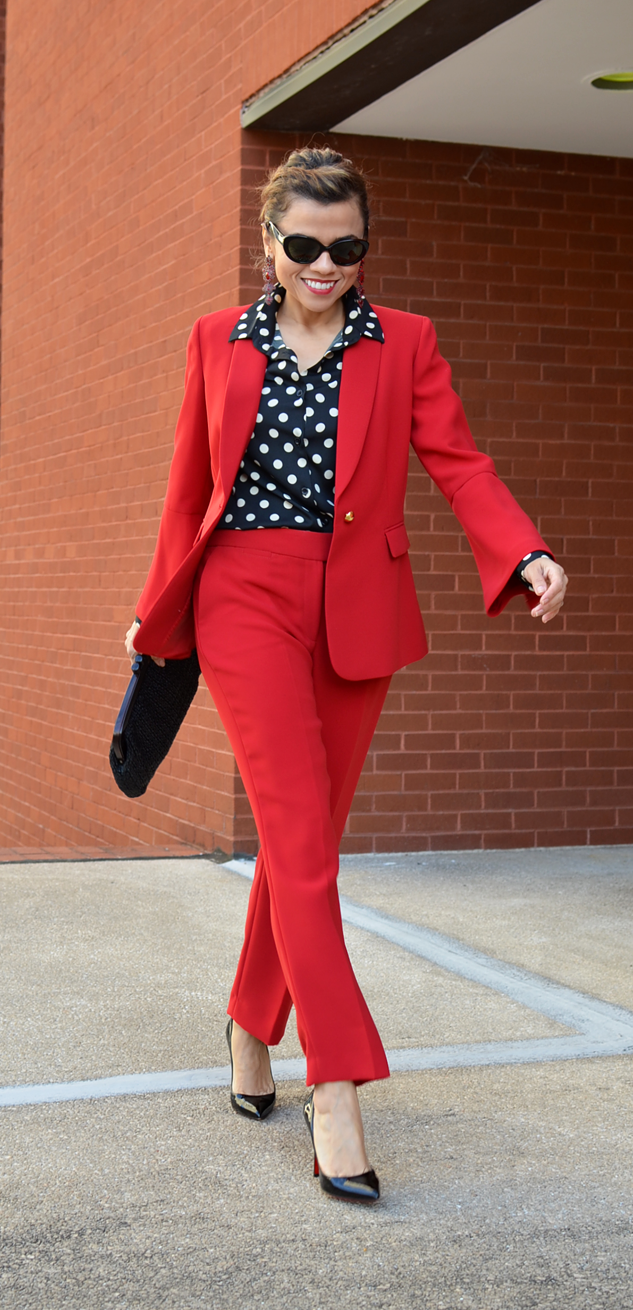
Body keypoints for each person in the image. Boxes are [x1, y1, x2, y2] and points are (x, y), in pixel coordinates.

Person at [124, 148, 568, 1202]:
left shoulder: (403, 341)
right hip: (242, 594)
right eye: (305, 245)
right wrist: (156, 612)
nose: (327, 265)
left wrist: (521, 549)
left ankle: (246, 1019)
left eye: (348, 247)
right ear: (268, 244)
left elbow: (458, 460)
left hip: (358, 606)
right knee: (296, 834)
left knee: (304, 839)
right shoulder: (214, 342)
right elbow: (187, 490)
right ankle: (335, 1082)